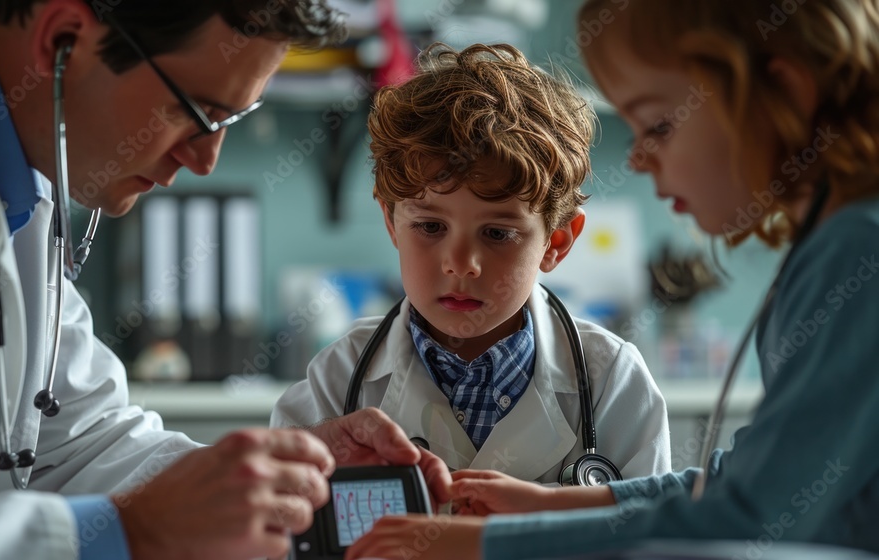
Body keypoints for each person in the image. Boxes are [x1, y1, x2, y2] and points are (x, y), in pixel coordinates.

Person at [0, 1, 450, 559]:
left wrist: (248, 484)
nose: (205, 160)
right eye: (197, 112)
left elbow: (79, 441)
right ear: (62, 41)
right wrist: (130, 534)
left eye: (230, 120)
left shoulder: (25, 160)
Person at [345, 0, 879, 558]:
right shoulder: (838, 245)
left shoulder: (857, 253)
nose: (641, 158)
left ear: (785, 94)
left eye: (660, 125)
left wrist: (486, 544)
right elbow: (736, 483)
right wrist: (549, 505)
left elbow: (753, 516)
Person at [271, 43, 670, 487]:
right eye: (429, 227)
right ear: (392, 222)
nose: (461, 264)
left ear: (555, 243)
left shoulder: (612, 380)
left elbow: (651, 540)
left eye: (497, 234)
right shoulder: (339, 377)